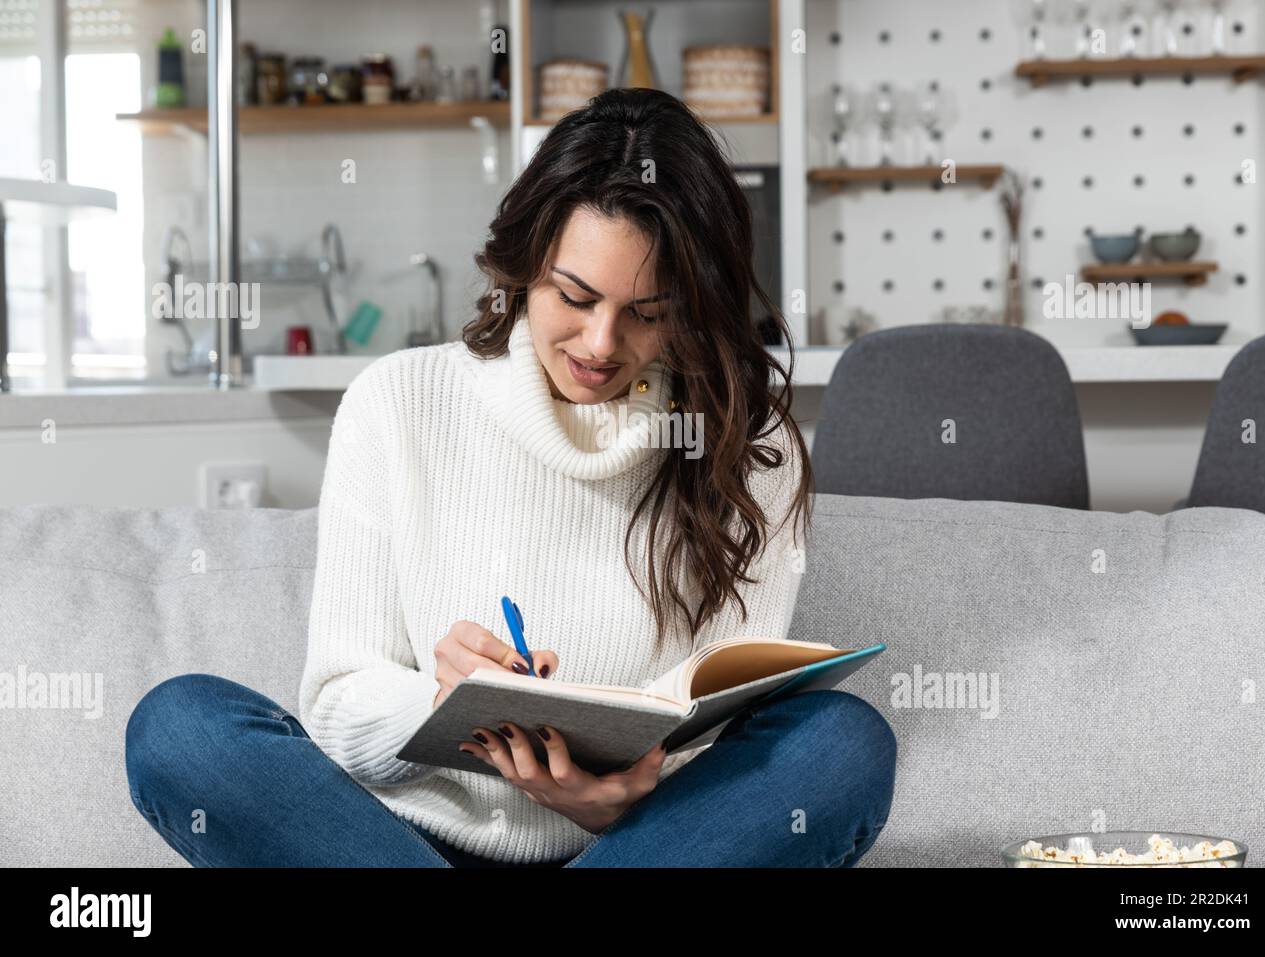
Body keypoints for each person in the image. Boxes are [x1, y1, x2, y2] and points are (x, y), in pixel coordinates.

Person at [125, 87, 896, 867]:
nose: (601, 342)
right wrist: (438, 701)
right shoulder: (396, 404)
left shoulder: (748, 445)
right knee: (182, 727)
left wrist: (615, 801)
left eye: (648, 311)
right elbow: (336, 707)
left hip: (639, 847)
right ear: (525, 264)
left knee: (840, 743)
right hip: (399, 846)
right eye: (575, 295)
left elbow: (721, 733)